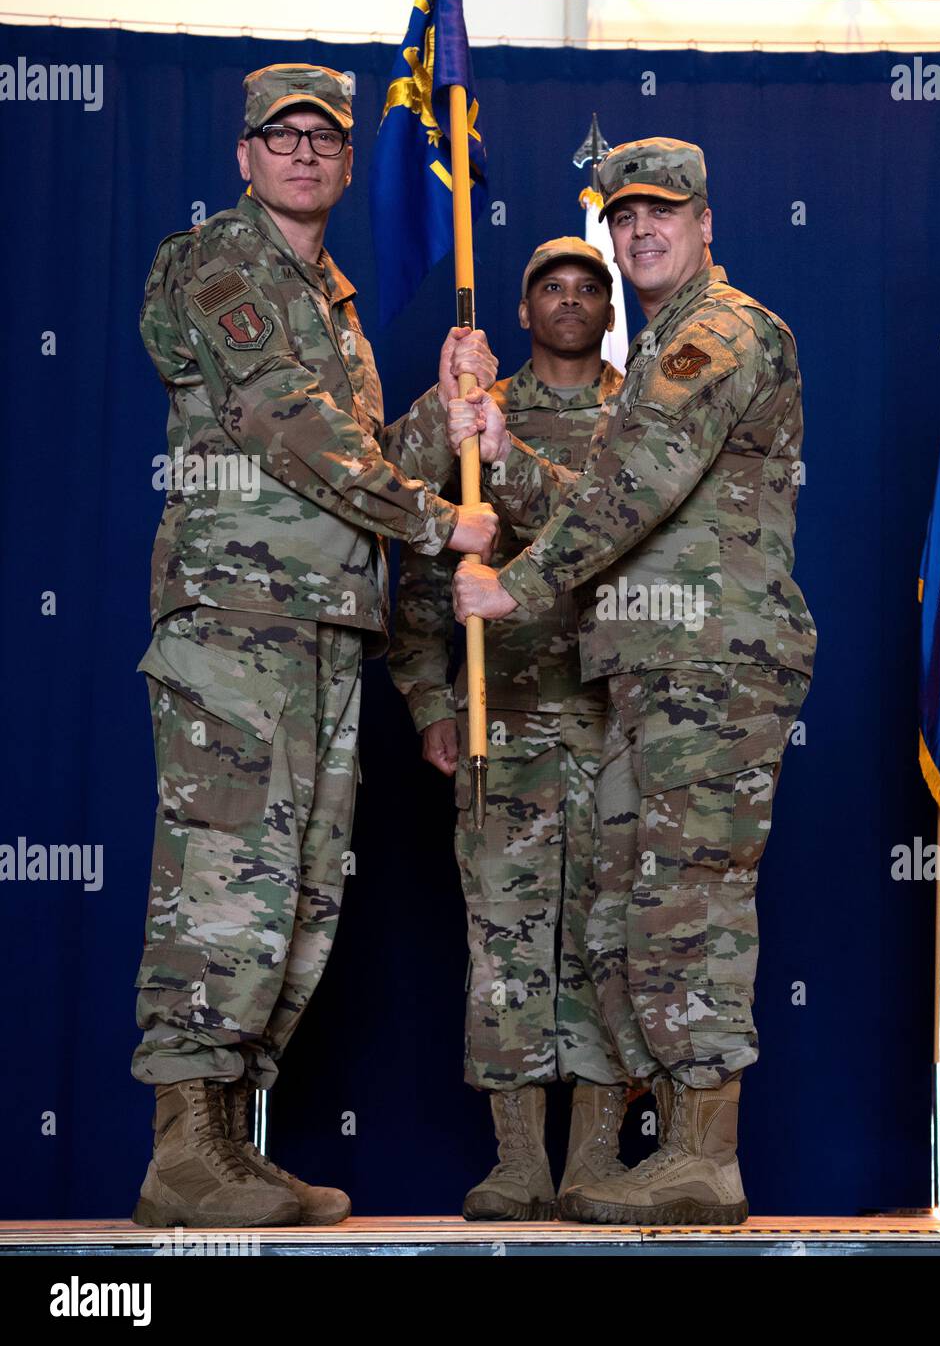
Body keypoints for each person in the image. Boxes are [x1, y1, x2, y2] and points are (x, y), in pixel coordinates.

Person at [131, 63, 497, 1229]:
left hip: (329, 627)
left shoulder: (333, 299)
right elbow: (284, 430)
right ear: (244, 155)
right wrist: (441, 522)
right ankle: (179, 1147)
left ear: (344, 163)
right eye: (278, 135)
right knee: (222, 878)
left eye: (322, 138)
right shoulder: (218, 263)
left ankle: (229, 1143)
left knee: (290, 893)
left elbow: (352, 457)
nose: (301, 152)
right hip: (238, 621)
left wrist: (440, 421)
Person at [448, 139, 816, 1225]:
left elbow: (637, 489)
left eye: (663, 211)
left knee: (686, 906)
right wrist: (502, 449)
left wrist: (515, 586)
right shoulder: (659, 348)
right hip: (654, 668)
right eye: (624, 214)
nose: (641, 228)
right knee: (636, 912)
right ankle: (678, 1149)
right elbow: (611, 484)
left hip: (713, 659)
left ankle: (706, 1157)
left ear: (707, 223)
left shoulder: (720, 329)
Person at [390, 237, 629, 1220]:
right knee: (507, 941)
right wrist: (428, 696)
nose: (569, 303)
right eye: (549, 290)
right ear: (525, 312)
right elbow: (413, 563)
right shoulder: (483, 409)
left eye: (588, 288)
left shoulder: (643, 414)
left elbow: (625, 533)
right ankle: (521, 1161)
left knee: (617, 941)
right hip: (508, 719)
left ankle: (598, 1161)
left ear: (607, 308)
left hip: (624, 718)